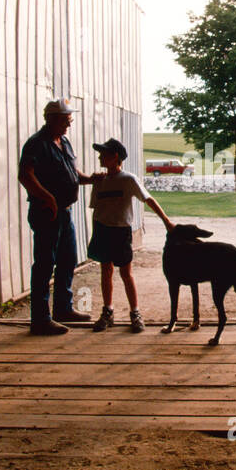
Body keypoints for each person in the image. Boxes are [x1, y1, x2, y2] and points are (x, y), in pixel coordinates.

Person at [18, 99, 99, 335]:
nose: (68, 125)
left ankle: (63, 308)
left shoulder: (63, 141)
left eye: (69, 121)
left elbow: (72, 172)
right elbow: (25, 175)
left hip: (65, 211)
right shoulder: (36, 144)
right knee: (44, 263)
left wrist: (89, 178)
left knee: (67, 259)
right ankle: (40, 319)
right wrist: (47, 197)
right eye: (65, 121)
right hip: (46, 213)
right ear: (51, 119)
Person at [86, 137, 173, 333]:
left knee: (126, 273)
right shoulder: (99, 181)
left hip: (121, 231)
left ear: (115, 157)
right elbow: (96, 207)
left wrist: (166, 221)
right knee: (105, 270)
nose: (100, 157)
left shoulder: (128, 179)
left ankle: (135, 312)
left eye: (104, 154)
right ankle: (108, 311)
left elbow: (148, 199)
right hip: (102, 229)